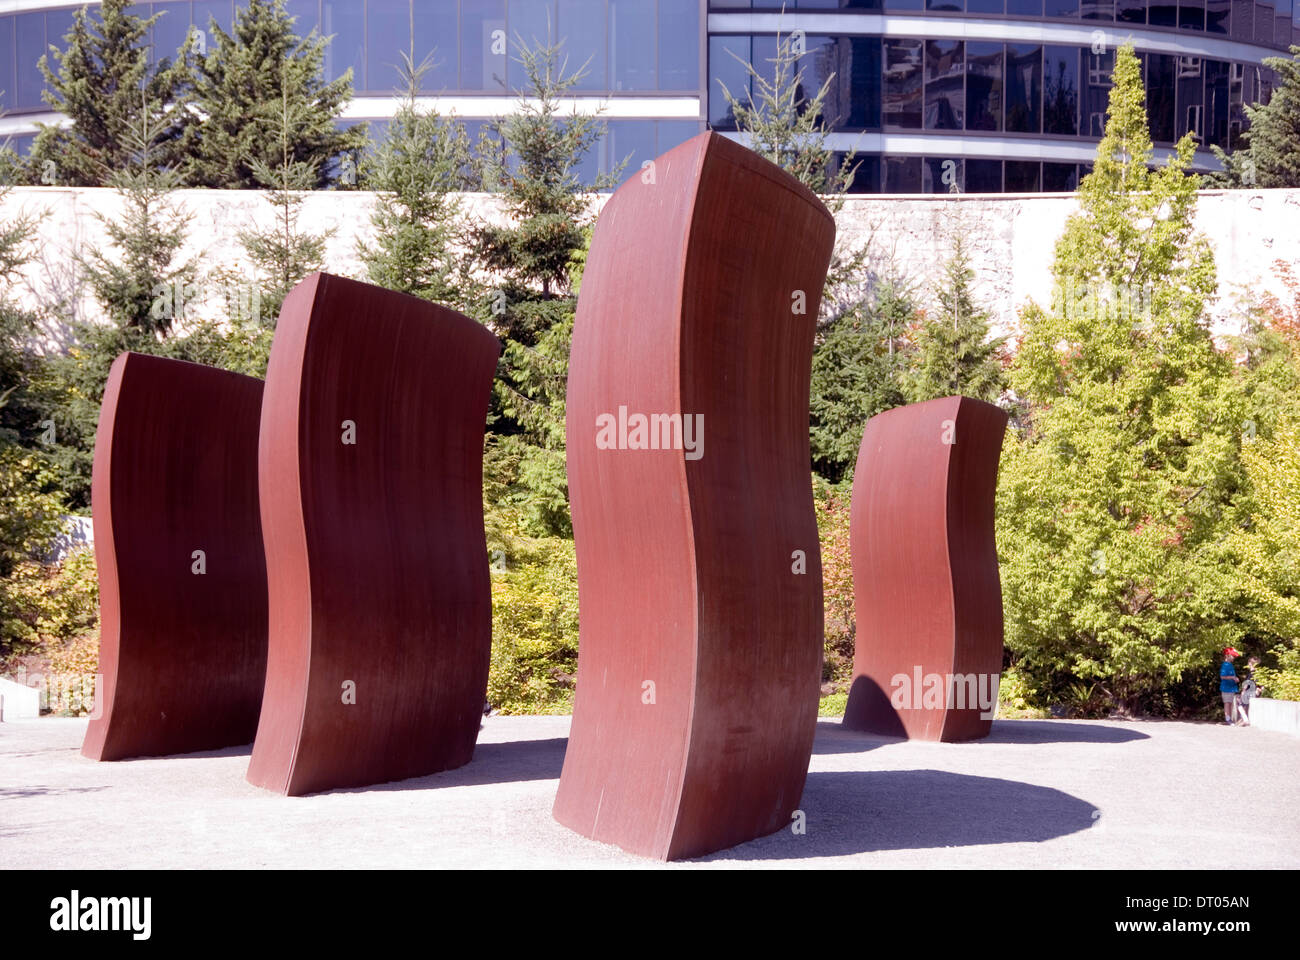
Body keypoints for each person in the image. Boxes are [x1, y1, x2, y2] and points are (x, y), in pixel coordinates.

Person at [1219, 647, 1241, 724]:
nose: (1234, 658)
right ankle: (1228, 719)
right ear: (1227, 655)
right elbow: (1222, 677)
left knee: (1230, 703)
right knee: (1227, 703)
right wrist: (1232, 677)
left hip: (1231, 688)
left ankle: (1229, 718)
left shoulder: (1230, 664)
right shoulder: (1225, 665)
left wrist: (1235, 678)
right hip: (1226, 687)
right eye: (1232, 656)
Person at [1238, 656, 1260, 726]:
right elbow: (1261, 685)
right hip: (1255, 692)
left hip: (1249, 692)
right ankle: (1243, 719)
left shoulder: (1251, 673)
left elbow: (1247, 684)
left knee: (1240, 705)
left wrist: (1243, 691)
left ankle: (1245, 720)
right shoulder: (1258, 673)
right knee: (1246, 706)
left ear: (1250, 663)